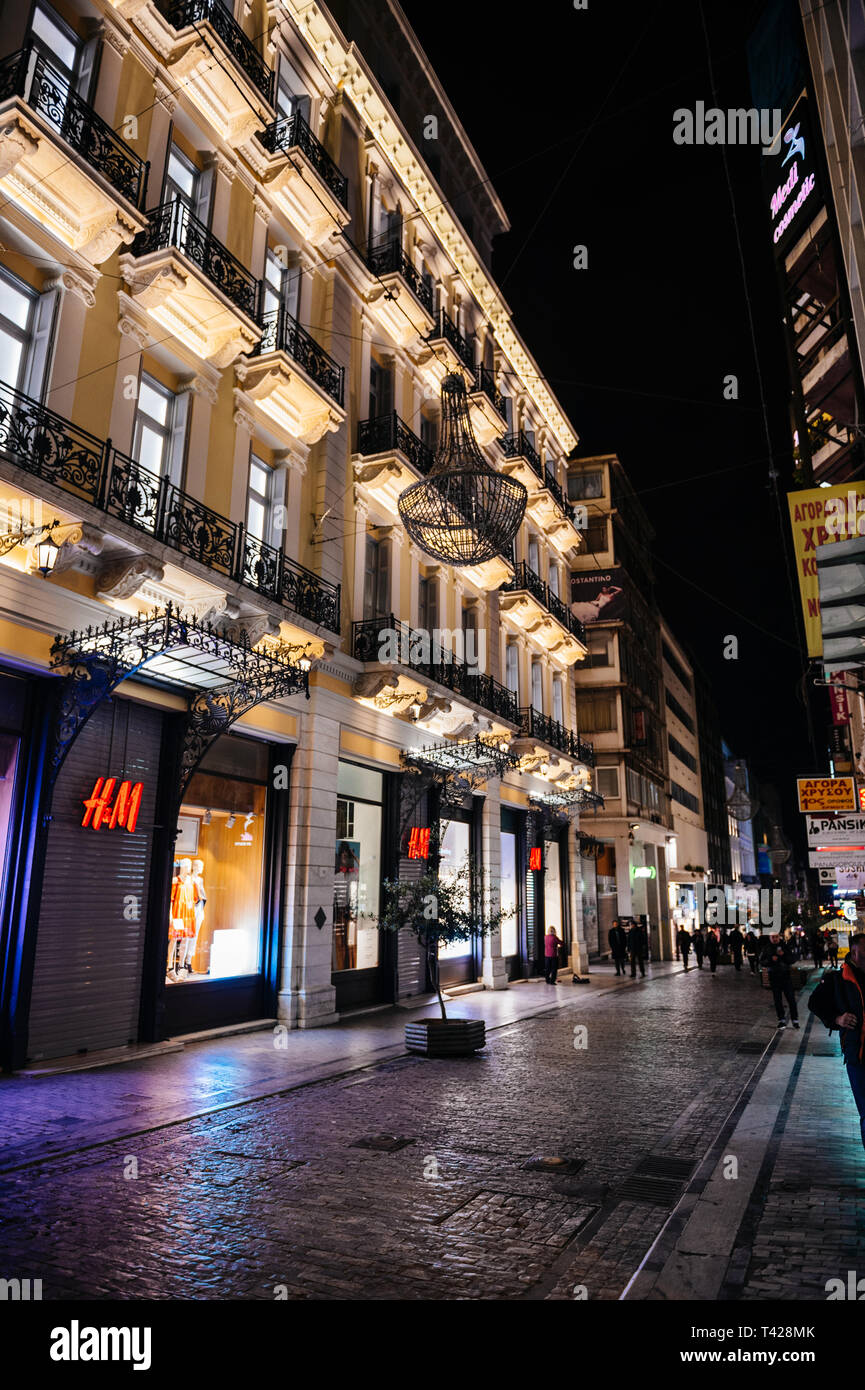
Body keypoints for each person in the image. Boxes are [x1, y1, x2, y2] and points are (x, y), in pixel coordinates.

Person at [809, 932, 865, 1151]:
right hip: (857, 1055)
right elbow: (815, 1003)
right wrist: (837, 1019)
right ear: (854, 951)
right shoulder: (838, 978)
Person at [762, 931, 799, 1028]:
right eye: (773, 937)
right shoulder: (767, 947)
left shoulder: (785, 946)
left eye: (776, 937)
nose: (775, 939)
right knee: (777, 1000)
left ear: (779, 937)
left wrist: (783, 955)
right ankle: (781, 1020)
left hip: (785, 976)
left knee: (791, 999)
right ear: (770, 937)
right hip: (774, 977)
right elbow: (762, 961)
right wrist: (770, 960)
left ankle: (795, 1020)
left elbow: (792, 959)